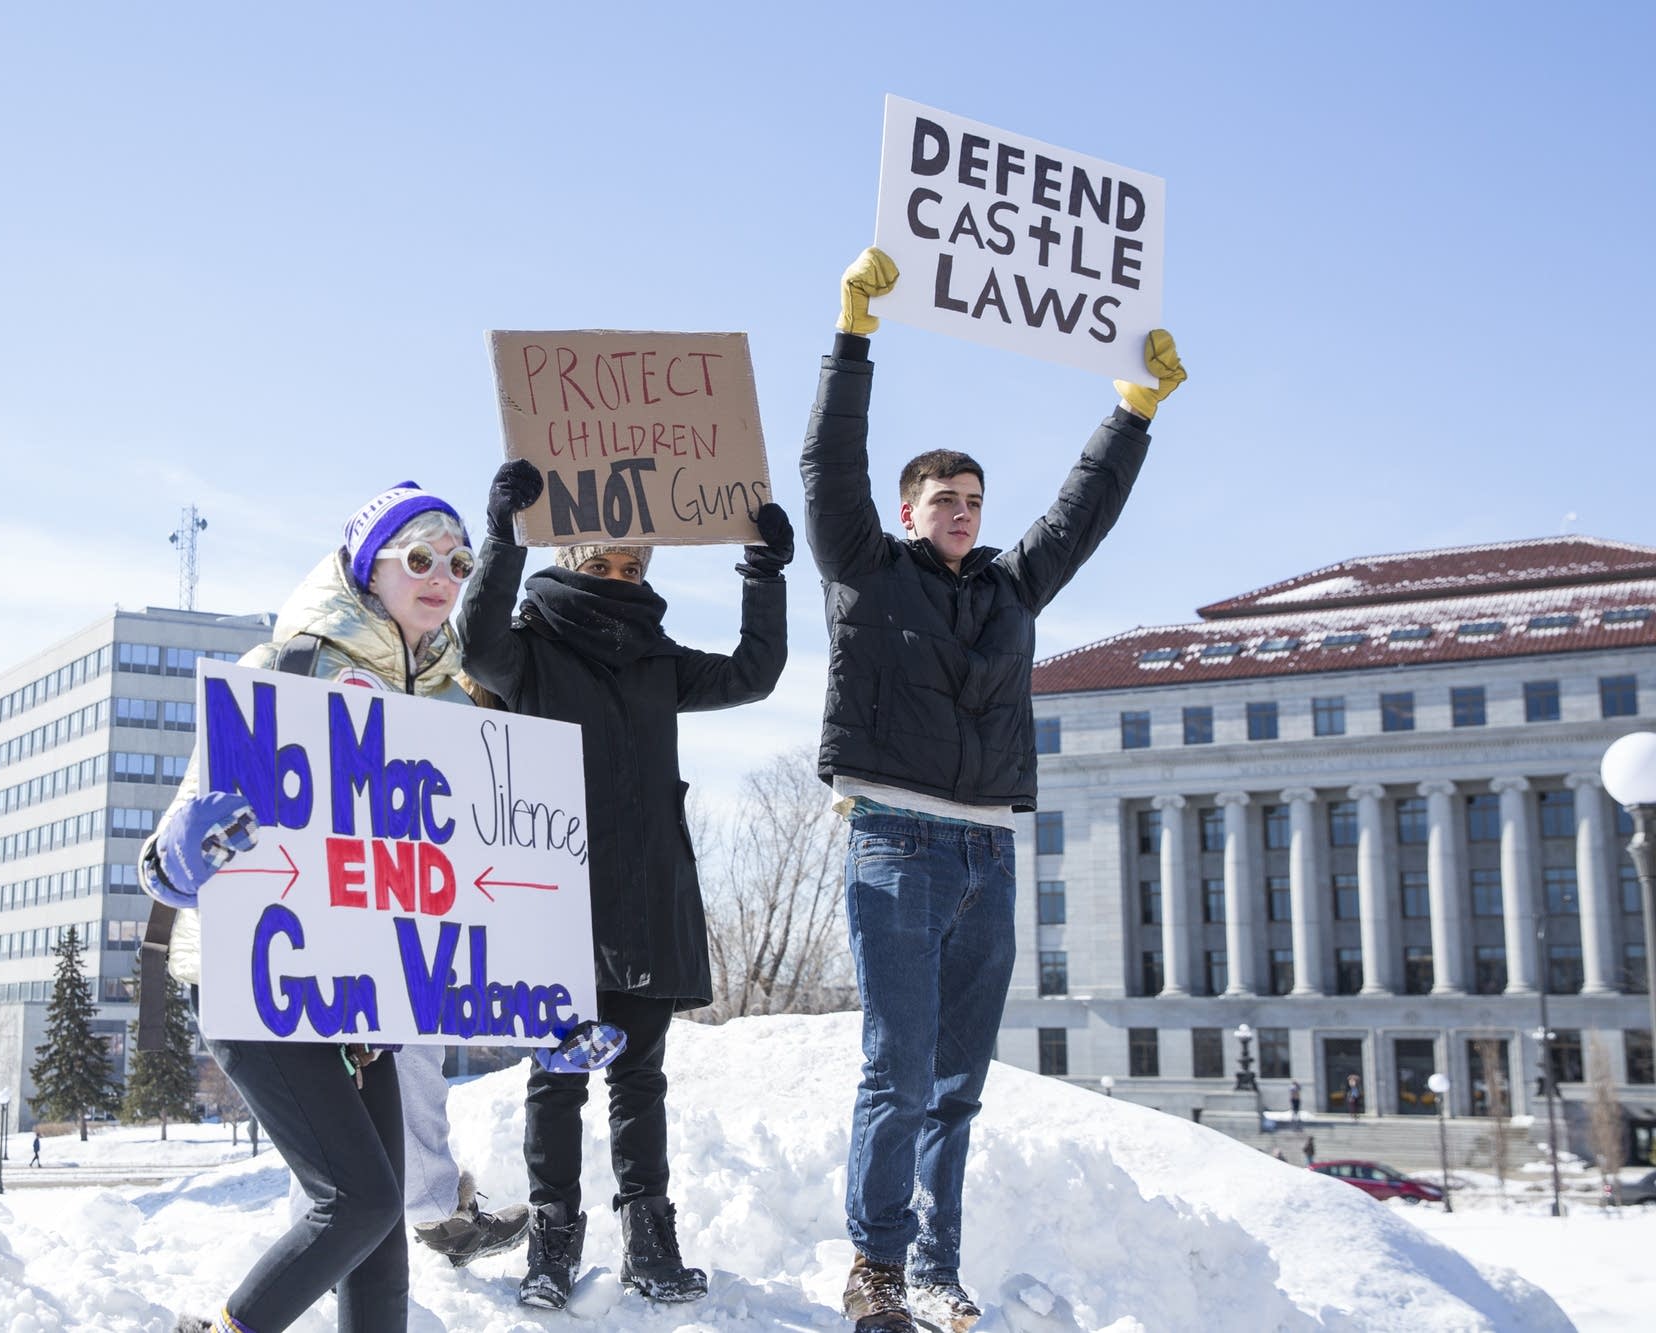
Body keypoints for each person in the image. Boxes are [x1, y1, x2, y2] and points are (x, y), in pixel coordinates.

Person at [805, 248, 1186, 1333]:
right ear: (906, 507)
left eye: (973, 500)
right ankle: (874, 1269)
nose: (962, 511)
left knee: (957, 1082)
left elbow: (1078, 514)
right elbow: (826, 464)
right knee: (898, 1065)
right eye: (943, 499)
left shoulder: (1012, 591)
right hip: (893, 843)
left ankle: (935, 1265)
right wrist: (852, 335)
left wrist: (1130, 413)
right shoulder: (864, 571)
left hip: (986, 854)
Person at [143, 482, 527, 1333]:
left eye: (458, 562)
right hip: (261, 980)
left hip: (369, 992)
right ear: (367, 566)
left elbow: (470, 864)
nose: (443, 577)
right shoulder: (281, 672)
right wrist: (184, 855)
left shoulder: (454, 704)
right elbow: (169, 856)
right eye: (418, 557)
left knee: (381, 1231)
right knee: (354, 1202)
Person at [457, 459, 792, 1310]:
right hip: (557, 905)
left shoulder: (658, 658)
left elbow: (754, 672)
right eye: (601, 564)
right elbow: (476, 645)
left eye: (631, 568)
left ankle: (650, 1240)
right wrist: (501, 535)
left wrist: (764, 570)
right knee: (558, 1077)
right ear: (566, 562)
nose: (615, 579)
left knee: (640, 1077)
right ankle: (553, 1241)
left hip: (646, 903)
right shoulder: (529, 651)